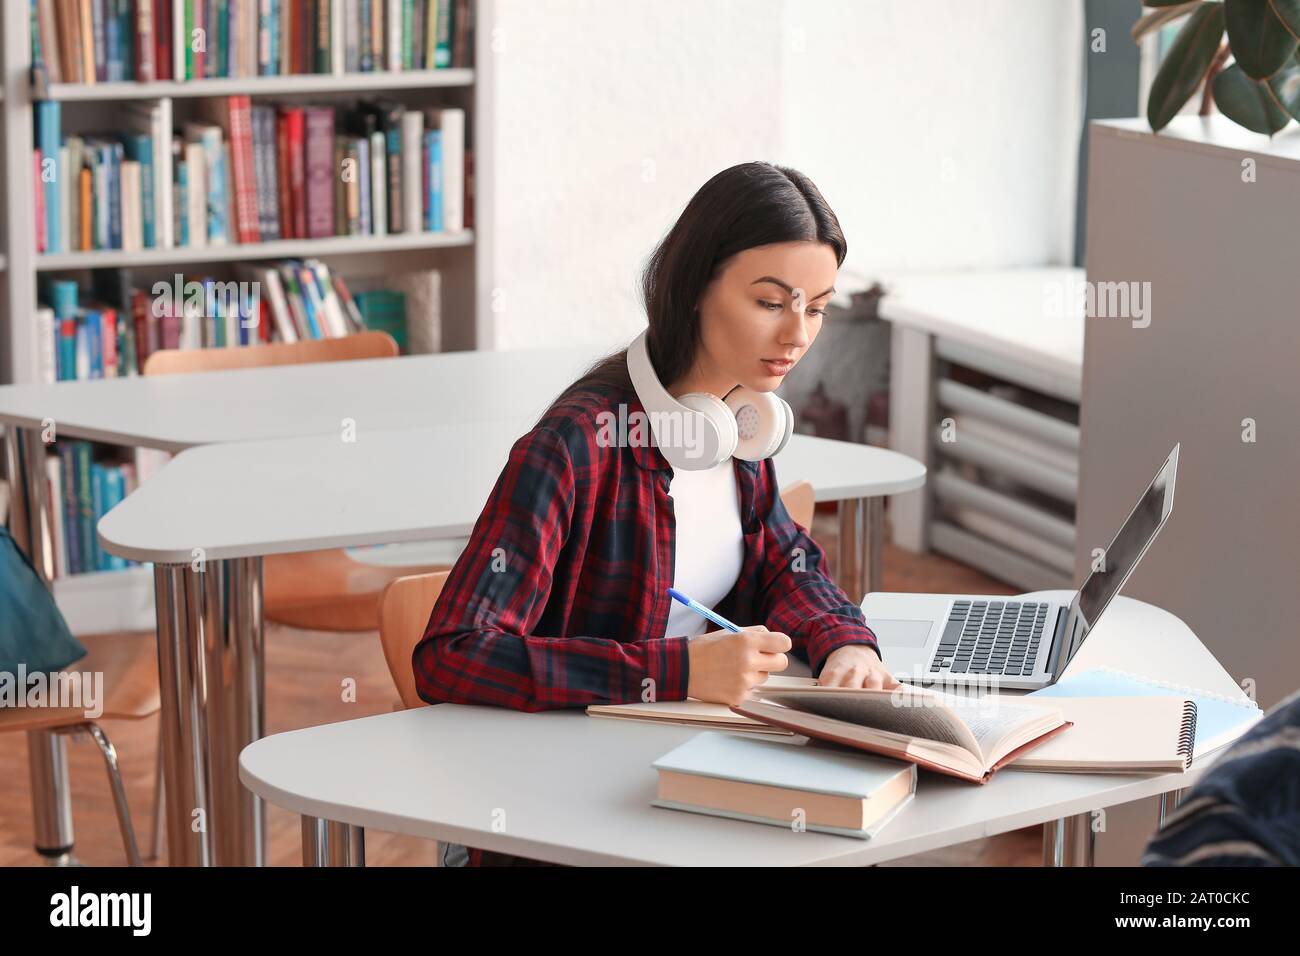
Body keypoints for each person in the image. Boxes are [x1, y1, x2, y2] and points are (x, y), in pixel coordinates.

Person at [414, 161, 897, 866]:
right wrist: (676, 672)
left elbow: (785, 563)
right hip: (559, 815)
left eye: (818, 307)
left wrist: (846, 642)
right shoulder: (576, 445)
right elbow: (452, 656)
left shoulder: (739, 425)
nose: (797, 334)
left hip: (681, 771)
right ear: (696, 287)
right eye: (771, 302)